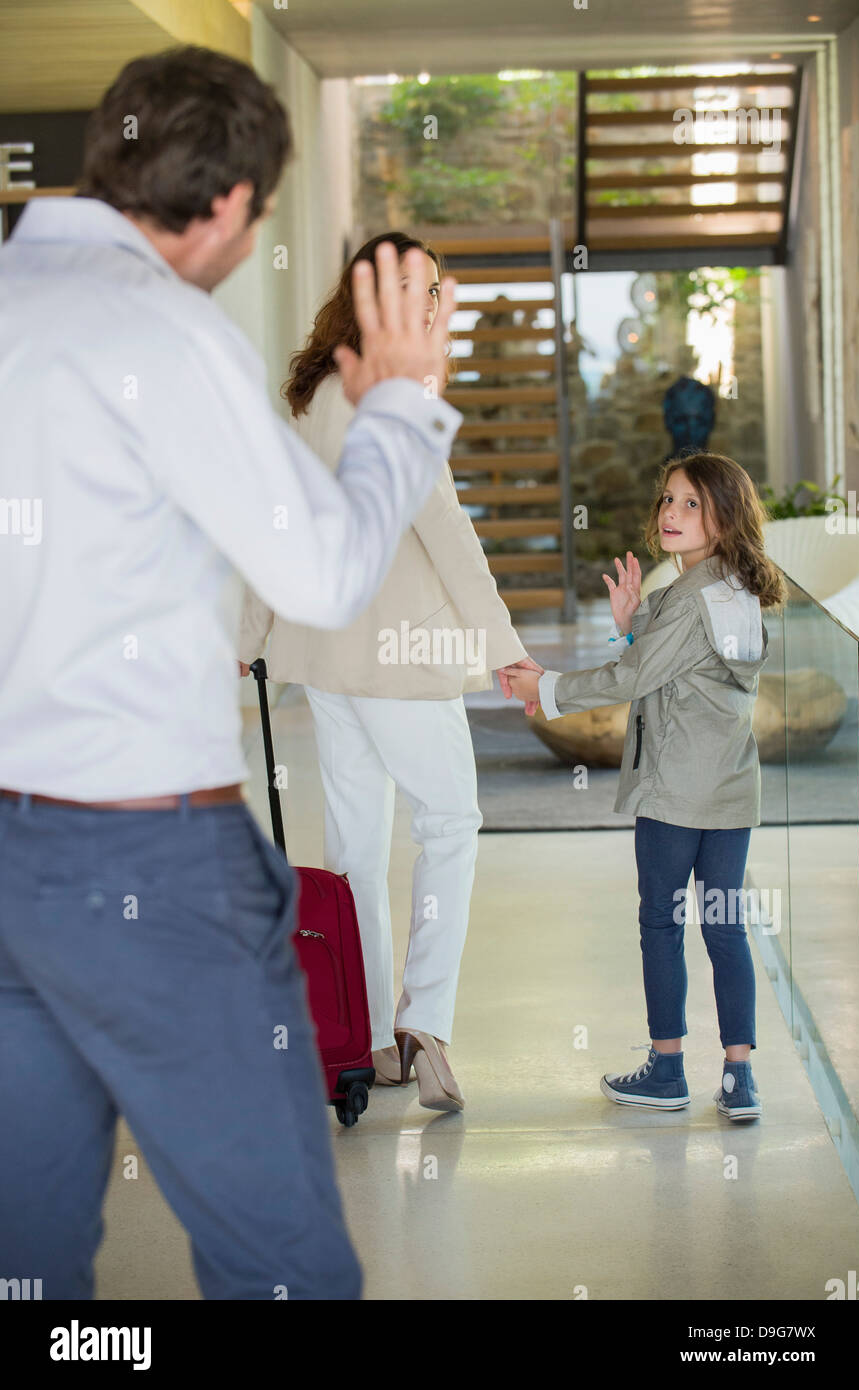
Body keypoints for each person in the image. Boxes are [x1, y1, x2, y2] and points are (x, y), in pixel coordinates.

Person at [0, 46, 463, 1300]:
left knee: (26, 1264)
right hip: (146, 864)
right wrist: (401, 410)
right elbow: (321, 574)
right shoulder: (161, 332)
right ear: (223, 208)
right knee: (281, 1266)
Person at [238, 232, 540, 1112]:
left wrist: (253, 631)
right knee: (449, 821)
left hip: (325, 653)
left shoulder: (318, 390)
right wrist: (504, 649)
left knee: (358, 850)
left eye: (434, 285)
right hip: (402, 657)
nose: (429, 299)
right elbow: (445, 531)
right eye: (409, 284)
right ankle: (425, 1023)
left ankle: (362, 1036)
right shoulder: (391, 394)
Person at [503, 454, 786, 1122]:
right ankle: (739, 1078)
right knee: (724, 926)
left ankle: (666, 1071)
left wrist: (541, 688)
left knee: (660, 921)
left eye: (691, 504)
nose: (670, 513)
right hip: (730, 790)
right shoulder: (732, 591)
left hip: (674, 791)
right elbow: (667, 666)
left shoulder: (688, 600)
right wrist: (632, 619)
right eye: (667, 499)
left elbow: (629, 679)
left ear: (725, 515)